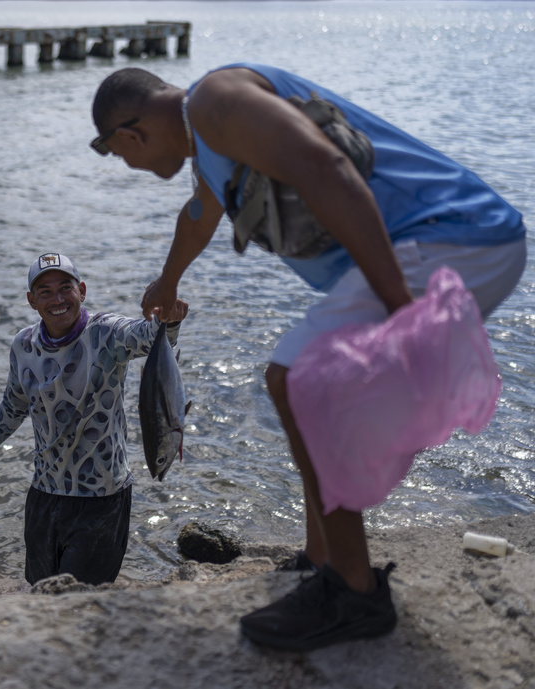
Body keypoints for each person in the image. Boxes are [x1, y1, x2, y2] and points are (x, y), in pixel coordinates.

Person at [90, 64, 526, 650]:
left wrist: (401, 307)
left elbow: (327, 168)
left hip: (449, 235)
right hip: (455, 238)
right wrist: (167, 282)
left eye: (118, 155)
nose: (129, 166)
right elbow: (199, 216)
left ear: (129, 135)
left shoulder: (218, 101)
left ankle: (353, 592)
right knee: (293, 381)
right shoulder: (210, 144)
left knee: (296, 380)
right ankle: (323, 562)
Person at [0, 252, 189, 586]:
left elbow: (148, 336)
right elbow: (13, 407)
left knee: (79, 602)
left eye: (65, 288)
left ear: (82, 291)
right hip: (45, 494)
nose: (57, 299)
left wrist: (169, 321)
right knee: (41, 593)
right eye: (44, 291)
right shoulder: (23, 345)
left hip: (103, 498)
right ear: (31, 300)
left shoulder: (107, 334)